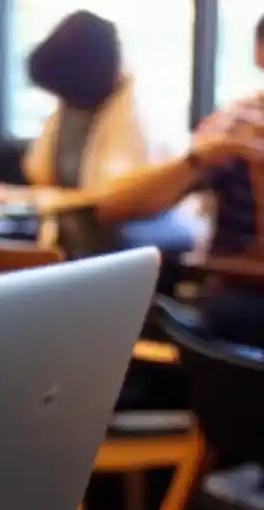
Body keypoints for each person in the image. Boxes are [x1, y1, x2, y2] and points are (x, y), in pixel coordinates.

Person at [90, 12, 264, 345]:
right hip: (244, 298)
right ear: (259, 53)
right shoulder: (240, 124)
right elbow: (112, 205)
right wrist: (199, 158)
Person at [0, 11, 196, 258]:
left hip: (128, 249)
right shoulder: (72, 109)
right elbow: (46, 179)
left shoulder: (144, 116)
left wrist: (4, 196)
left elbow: (107, 201)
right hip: (78, 246)